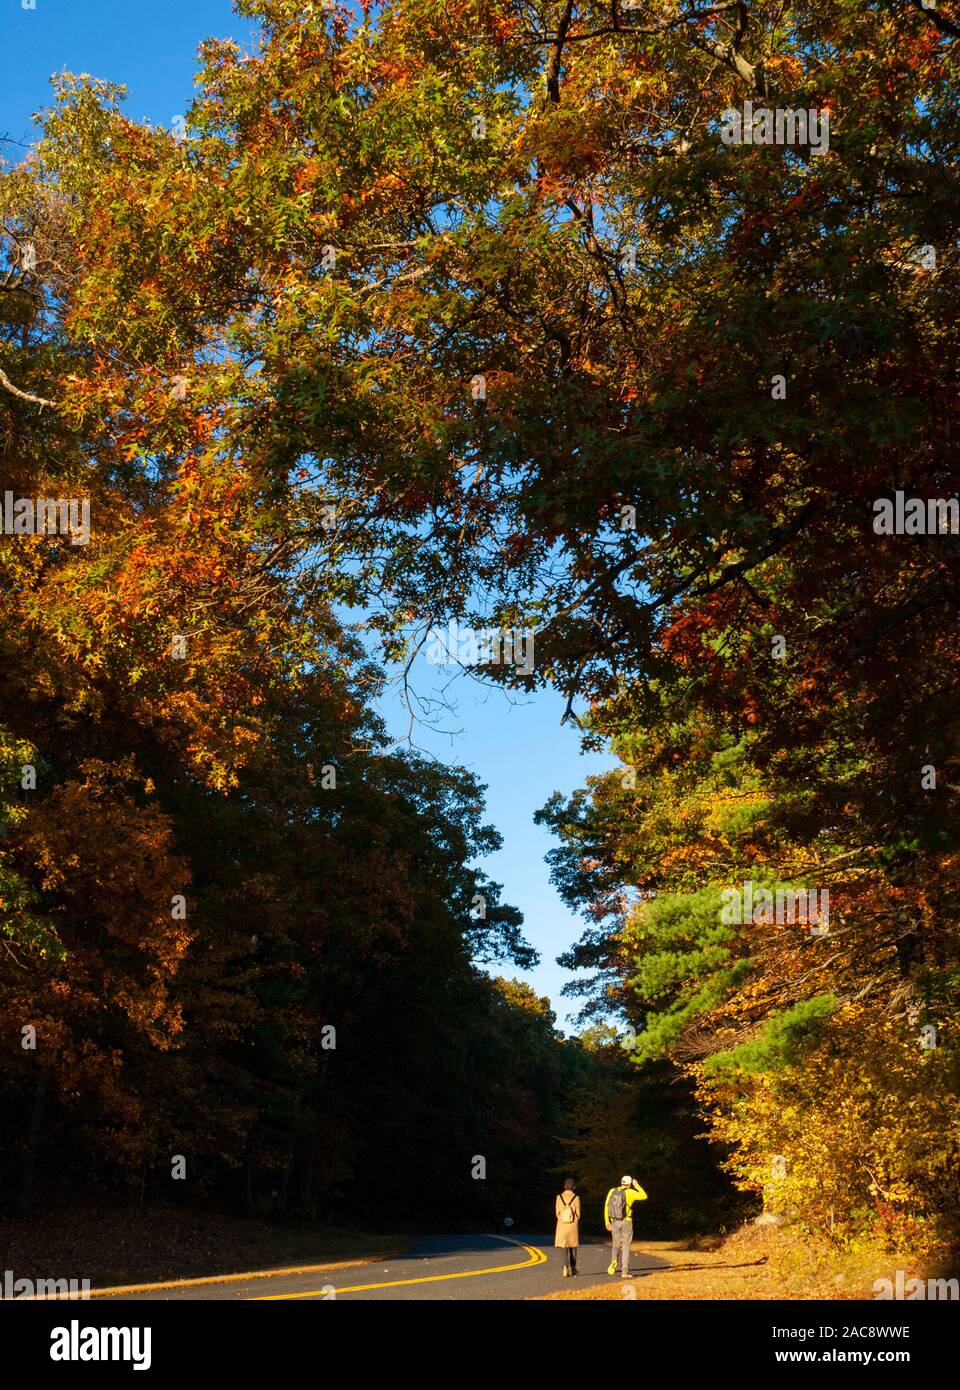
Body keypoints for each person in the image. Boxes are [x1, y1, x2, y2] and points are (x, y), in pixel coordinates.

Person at [604, 1174, 647, 1278]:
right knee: (626, 1246)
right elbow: (644, 1196)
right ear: (629, 1184)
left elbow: (606, 1206)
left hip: (614, 1221)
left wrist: (607, 1222)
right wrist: (636, 1185)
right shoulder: (631, 1192)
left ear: (621, 1182)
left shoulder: (612, 1191)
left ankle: (614, 1260)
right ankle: (624, 1272)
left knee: (616, 1243)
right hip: (627, 1221)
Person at [554, 1178, 581, 1277]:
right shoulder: (576, 1198)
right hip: (572, 1225)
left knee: (563, 1246)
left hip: (562, 1225)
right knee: (573, 1246)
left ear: (565, 1186)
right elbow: (578, 1214)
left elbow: (557, 1213)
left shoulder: (559, 1197)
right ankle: (573, 1268)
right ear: (574, 1187)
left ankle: (565, 1268)